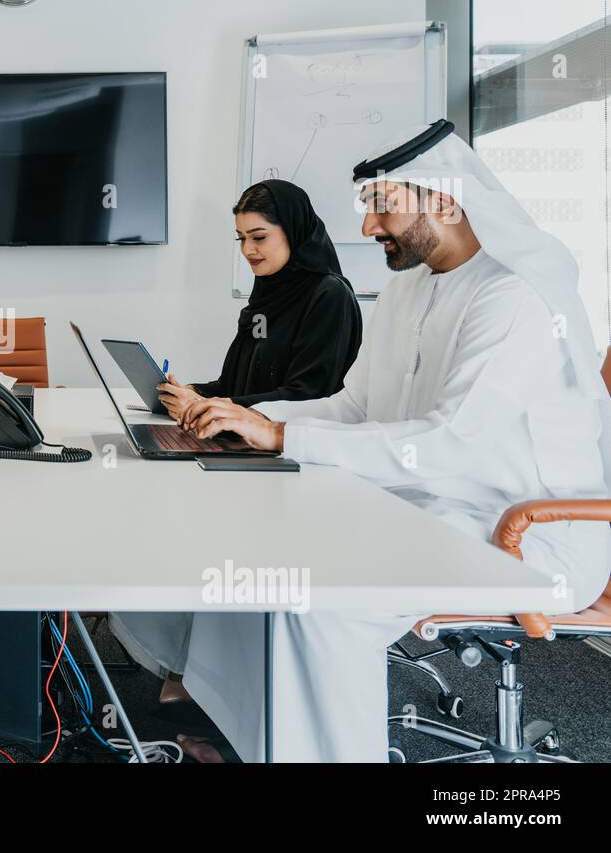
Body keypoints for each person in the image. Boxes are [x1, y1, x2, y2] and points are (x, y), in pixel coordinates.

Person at [176, 120, 611, 762]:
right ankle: (253, 743)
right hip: (435, 505)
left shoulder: (512, 296)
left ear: (445, 200)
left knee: (319, 596)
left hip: (523, 533)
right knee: (259, 550)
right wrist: (247, 417)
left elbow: (450, 444)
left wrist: (280, 435)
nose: (367, 227)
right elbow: (356, 405)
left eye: (384, 206)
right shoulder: (408, 287)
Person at [110, 180, 361, 721]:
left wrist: (217, 406)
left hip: (293, 462)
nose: (249, 250)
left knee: (195, 531)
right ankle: (188, 669)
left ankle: (210, 683)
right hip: (241, 453)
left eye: (260, 237)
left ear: (294, 233)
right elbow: (233, 384)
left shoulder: (328, 296)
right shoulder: (263, 298)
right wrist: (186, 397)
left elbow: (311, 398)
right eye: (241, 238)